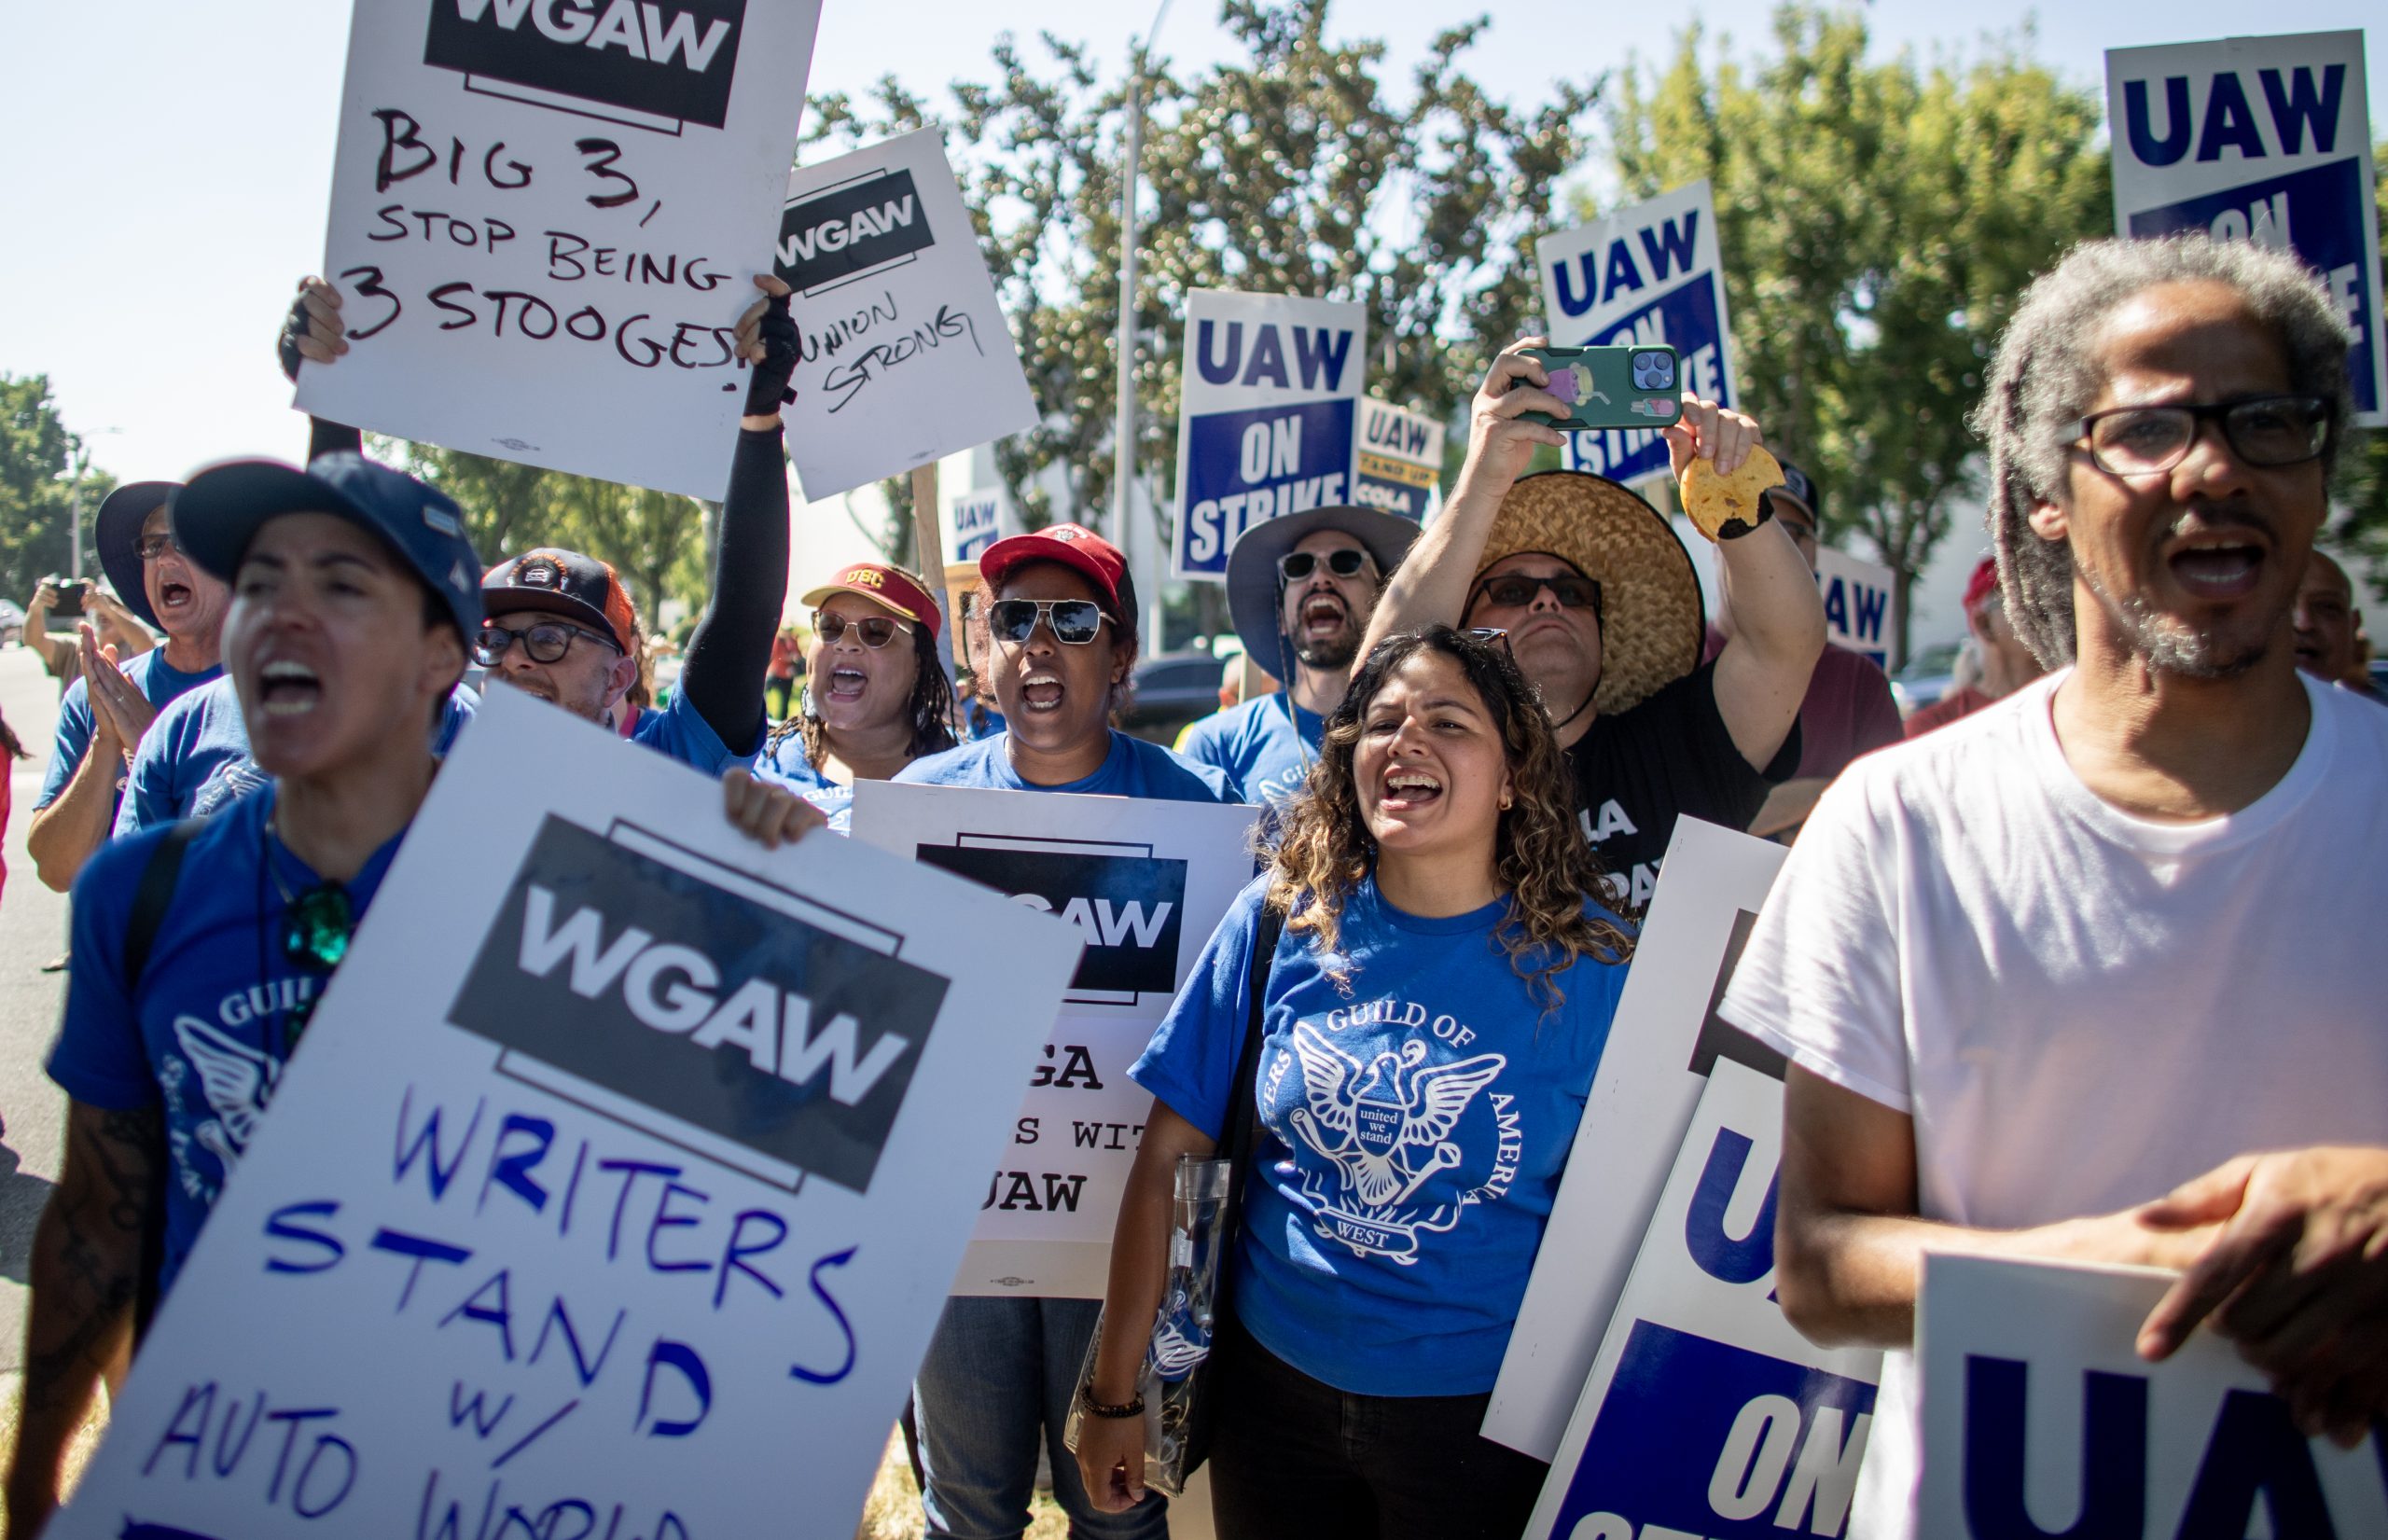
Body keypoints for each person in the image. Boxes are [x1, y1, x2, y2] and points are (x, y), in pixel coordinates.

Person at [6, 454, 823, 1540]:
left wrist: (779, 893)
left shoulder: (580, 879)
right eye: (266, 587)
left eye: (344, 594)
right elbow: (102, 1212)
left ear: (440, 663)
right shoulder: (146, 891)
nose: (290, 624)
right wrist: (32, 1483)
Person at [1720, 235, 2388, 1540]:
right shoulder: (1898, 822)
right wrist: (2120, 1273)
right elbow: (1822, 1261)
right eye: (2148, 428)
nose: (2213, 469)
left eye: (2266, 422)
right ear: (2045, 492)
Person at [1078, 626, 1633, 1538]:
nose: (1406, 741)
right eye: (1382, 723)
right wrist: (1111, 1393)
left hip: (1484, 1429)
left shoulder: (1600, 971)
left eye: (1447, 722)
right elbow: (1165, 1159)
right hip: (1268, 1404)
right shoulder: (1276, 922)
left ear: (1511, 776)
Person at [896, 522, 1233, 1540]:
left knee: (1119, 1514)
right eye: (1014, 620)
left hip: (1122, 1239)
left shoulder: (1199, 816)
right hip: (955, 1236)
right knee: (967, 1510)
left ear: (1121, 654)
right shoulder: (915, 811)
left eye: (1074, 621)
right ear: (984, 649)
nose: (1038, 643)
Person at [1365, 345, 1824, 907]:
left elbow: (1785, 647)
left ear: (1604, 632)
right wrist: (1481, 481)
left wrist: (1730, 492)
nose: (1547, 602)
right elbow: (1379, 686)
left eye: (1573, 592)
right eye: (1513, 592)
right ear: (1460, 640)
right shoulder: (1425, 772)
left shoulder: (1679, 747)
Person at [281, 271, 796, 772]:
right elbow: (340, 595)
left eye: (549, 640)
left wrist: (759, 416)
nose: (514, 660)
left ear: (618, 678)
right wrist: (330, 400)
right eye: (495, 641)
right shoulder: (444, 739)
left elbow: (745, 612)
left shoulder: (665, 765)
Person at [26, 482, 230, 893]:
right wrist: (105, 744)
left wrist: (151, 746)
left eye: (185, 541)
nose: (165, 558)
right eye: (153, 545)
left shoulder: (270, 697)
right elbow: (56, 871)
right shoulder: (96, 694)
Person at [1705, 460, 1902, 837]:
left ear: (1812, 552)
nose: (1767, 545)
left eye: (1789, 533)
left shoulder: (1859, 681)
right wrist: (1831, 794)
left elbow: (1892, 812)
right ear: (1714, 541)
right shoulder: (1670, 665)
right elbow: (1672, 821)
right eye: (1745, 522)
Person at [1177, 505, 1418, 808]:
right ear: (1281, 616)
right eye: (1298, 567)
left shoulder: (1412, 737)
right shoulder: (1219, 744)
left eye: (1345, 563)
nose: (1320, 578)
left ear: (1380, 603)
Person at [752, 562, 957, 833]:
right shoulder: (759, 767)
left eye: (876, 631)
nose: (846, 643)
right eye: (830, 625)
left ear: (919, 662)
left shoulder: (963, 779)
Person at [1900, 557, 2047, 736]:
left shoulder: (2071, 709)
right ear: (1985, 624)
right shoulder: (1932, 728)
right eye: (2030, 600)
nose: (2053, 610)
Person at [2292, 549, 2387, 705]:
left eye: (2327, 606)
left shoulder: (2378, 717)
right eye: (2282, 606)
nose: (2304, 623)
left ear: (2354, 624)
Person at [22, 577, 154, 688]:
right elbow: (34, 640)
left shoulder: (133, 652)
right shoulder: (75, 648)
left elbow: (145, 643)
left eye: (113, 604)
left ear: (130, 615)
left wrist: (107, 609)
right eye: (99, 603)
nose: (102, 609)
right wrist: (36, 608)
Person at [765, 622, 803, 722]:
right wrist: (791, 657)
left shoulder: (793, 641)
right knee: (764, 694)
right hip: (776, 673)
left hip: (788, 676)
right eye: (786, 630)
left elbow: (798, 655)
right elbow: (779, 656)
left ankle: (781, 722)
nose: (788, 632)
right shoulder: (778, 640)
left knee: (785, 702)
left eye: (789, 630)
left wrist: (795, 658)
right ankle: (766, 714)